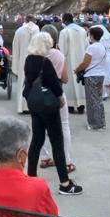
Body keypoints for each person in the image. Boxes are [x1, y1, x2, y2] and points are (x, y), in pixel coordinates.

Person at [23, 31, 82, 195]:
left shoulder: (29, 60)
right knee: (57, 141)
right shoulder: (45, 62)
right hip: (48, 105)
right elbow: (54, 84)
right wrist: (60, 98)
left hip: (34, 103)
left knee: (37, 140)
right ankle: (64, 183)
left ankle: (31, 176)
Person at [37, 24, 76, 173]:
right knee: (63, 126)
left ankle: (45, 157)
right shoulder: (58, 55)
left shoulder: (35, 54)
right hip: (56, 93)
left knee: (42, 127)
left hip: (39, 94)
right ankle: (66, 161)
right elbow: (65, 78)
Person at [72, 26, 109, 130]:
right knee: (98, 99)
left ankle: (93, 123)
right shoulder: (102, 47)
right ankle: (101, 122)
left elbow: (85, 63)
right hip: (100, 74)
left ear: (92, 35)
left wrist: (77, 69)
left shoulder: (91, 48)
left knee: (91, 100)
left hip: (91, 75)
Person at [58, 14, 87, 113]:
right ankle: (81, 105)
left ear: (64, 20)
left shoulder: (64, 32)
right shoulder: (83, 31)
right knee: (80, 84)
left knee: (70, 83)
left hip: (69, 62)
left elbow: (62, 50)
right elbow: (86, 46)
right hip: (82, 60)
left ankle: (70, 105)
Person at [12, 15, 40, 114]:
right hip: (36, 61)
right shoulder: (38, 31)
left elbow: (15, 48)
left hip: (22, 61)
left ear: (26, 20)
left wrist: (15, 65)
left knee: (22, 83)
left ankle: (22, 107)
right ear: (34, 21)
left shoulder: (19, 31)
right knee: (34, 83)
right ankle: (33, 106)